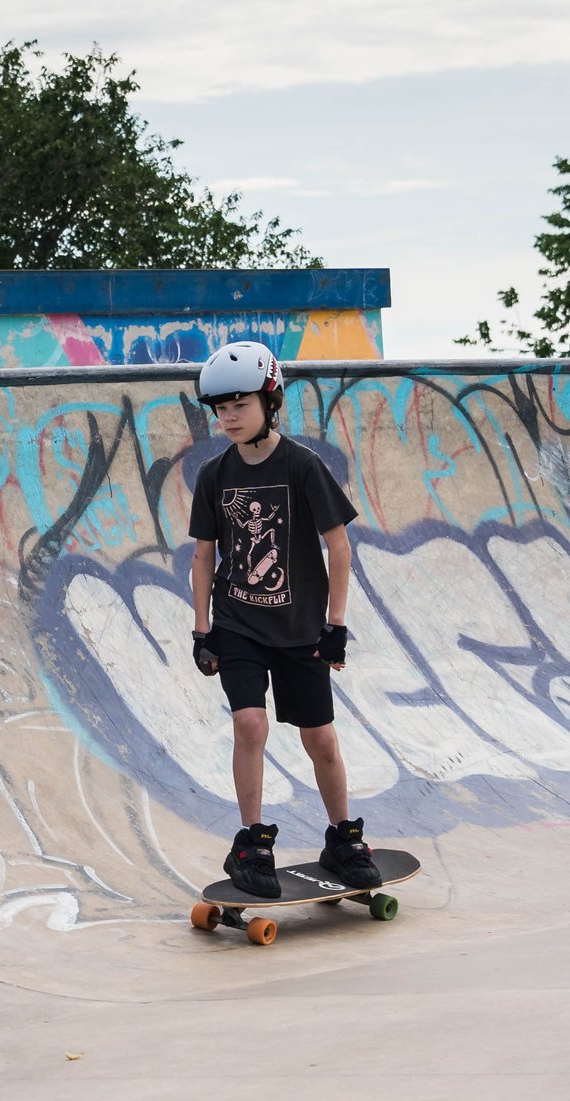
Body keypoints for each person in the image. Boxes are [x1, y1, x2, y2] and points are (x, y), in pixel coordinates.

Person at [186, 342, 382, 898]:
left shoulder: (302, 465)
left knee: (320, 738)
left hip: (301, 631)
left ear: (268, 401)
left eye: (239, 404)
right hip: (239, 626)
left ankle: (342, 839)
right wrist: (202, 630)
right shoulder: (213, 475)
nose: (227, 416)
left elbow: (338, 547)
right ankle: (251, 842)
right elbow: (204, 556)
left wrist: (335, 623)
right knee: (250, 725)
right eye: (219, 407)